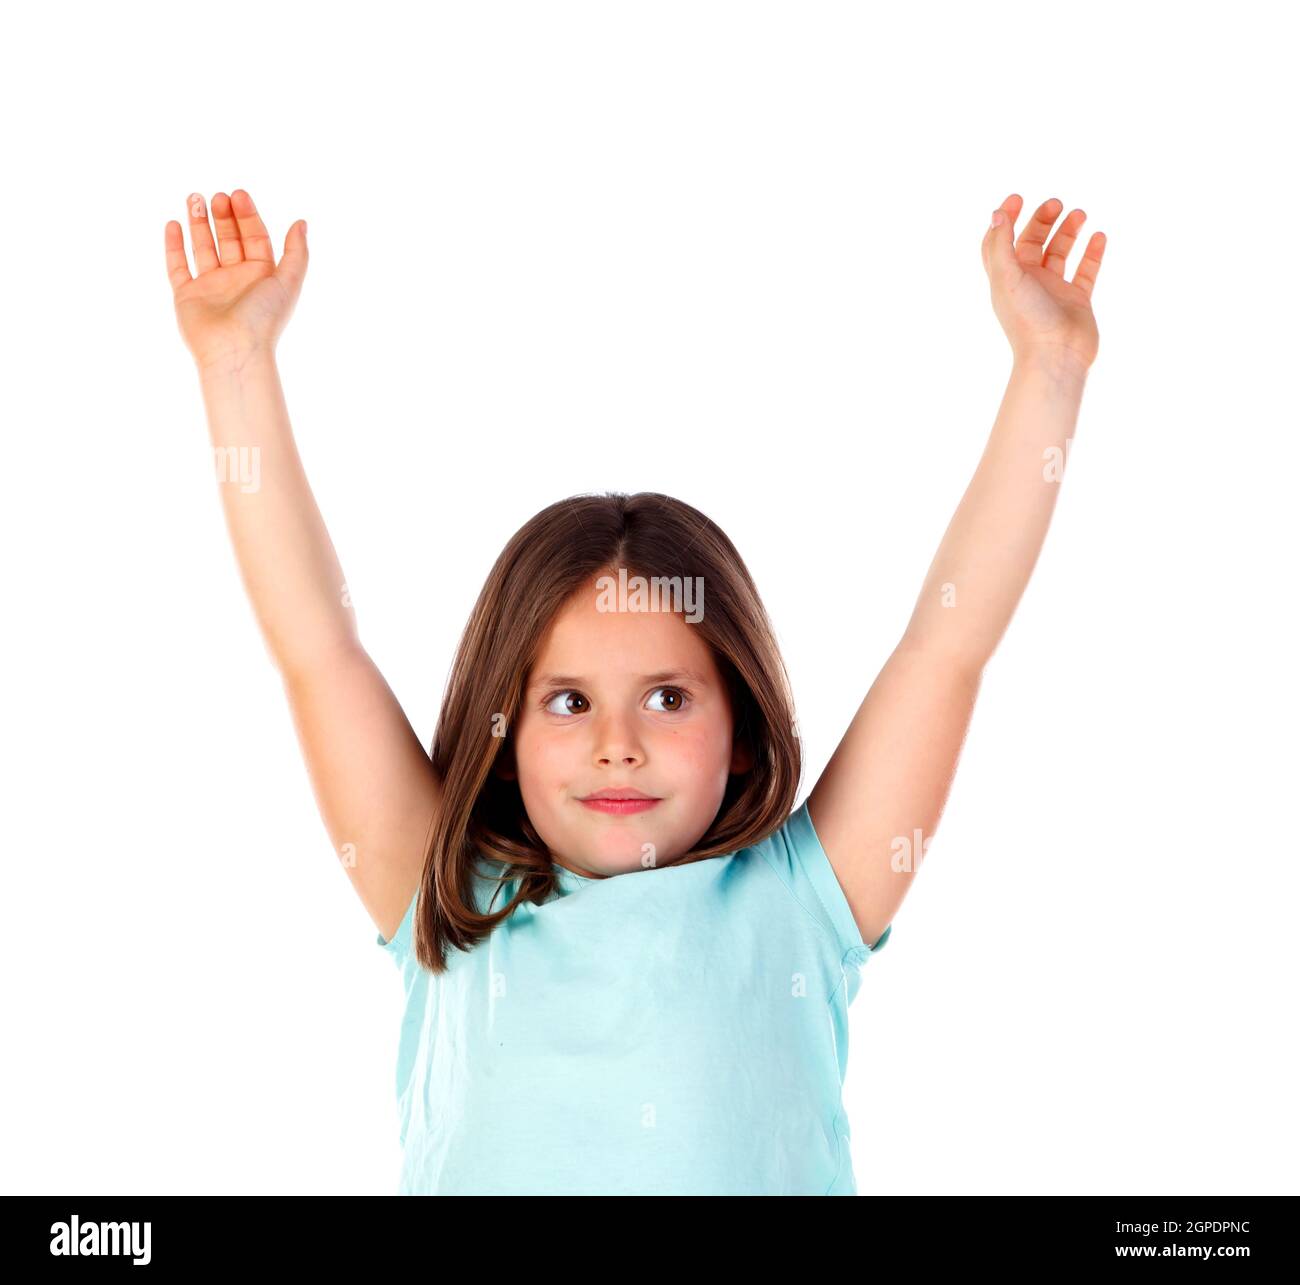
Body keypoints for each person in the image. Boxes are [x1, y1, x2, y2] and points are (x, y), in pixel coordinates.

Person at [164, 188, 1106, 1195]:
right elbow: (318, 648)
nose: (617, 744)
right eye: (567, 703)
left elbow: (945, 645)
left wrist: (1048, 370)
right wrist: (235, 367)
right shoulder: (447, 900)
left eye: (667, 698)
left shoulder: (798, 901)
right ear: (505, 729)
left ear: (741, 730)